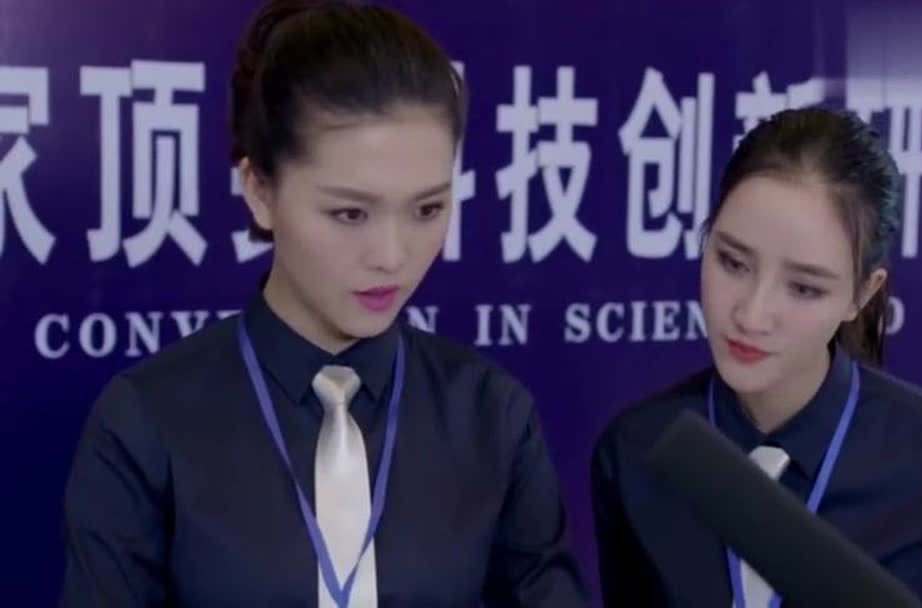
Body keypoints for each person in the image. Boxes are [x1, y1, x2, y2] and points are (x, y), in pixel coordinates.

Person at [60, 2, 586, 606]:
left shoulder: (492, 416)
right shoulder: (148, 423)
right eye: (350, 214)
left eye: (428, 209)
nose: (392, 255)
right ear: (260, 191)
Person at [591, 107, 922, 607]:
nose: (752, 315)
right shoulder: (637, 450)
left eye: (803, 288)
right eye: (732, 262)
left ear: (862, 294)